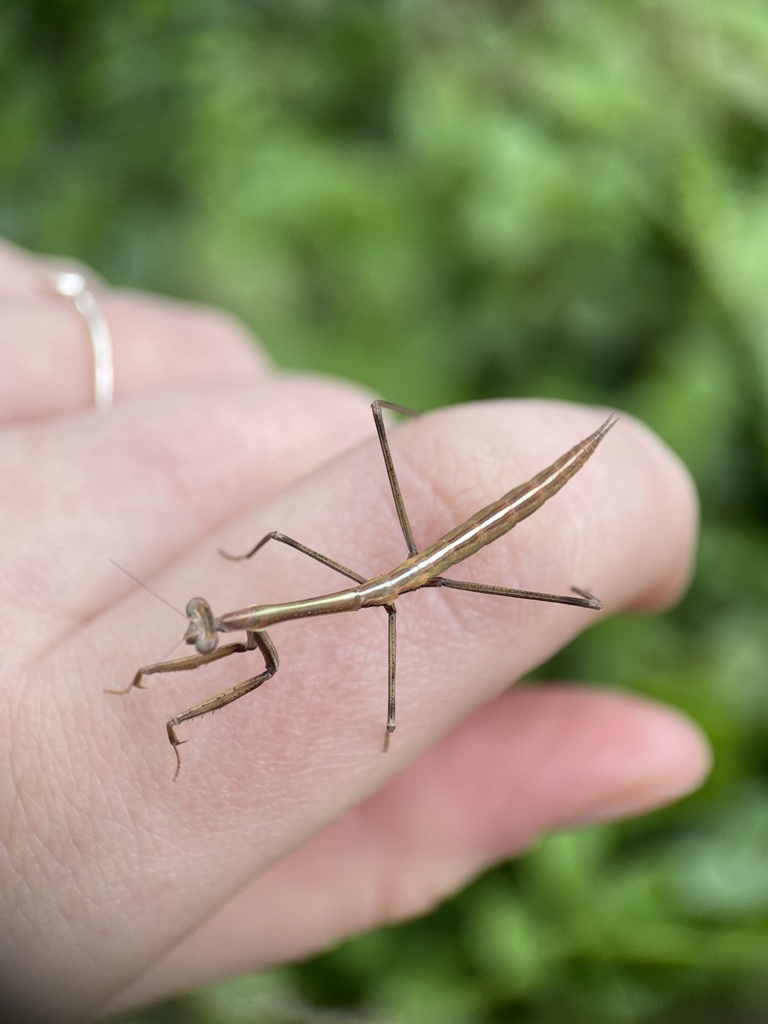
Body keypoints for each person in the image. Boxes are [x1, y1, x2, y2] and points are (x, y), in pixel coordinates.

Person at [0, 237, 709, 1024]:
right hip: (412, 571)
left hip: (440, 558)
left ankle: (575, 572)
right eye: (204, 635)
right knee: (368, 461)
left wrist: (382, 710)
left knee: (416, 462)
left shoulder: (264, 635)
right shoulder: (264, 629)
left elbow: (257, 662)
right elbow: (255, 656)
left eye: (202, 632)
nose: (202, 637)